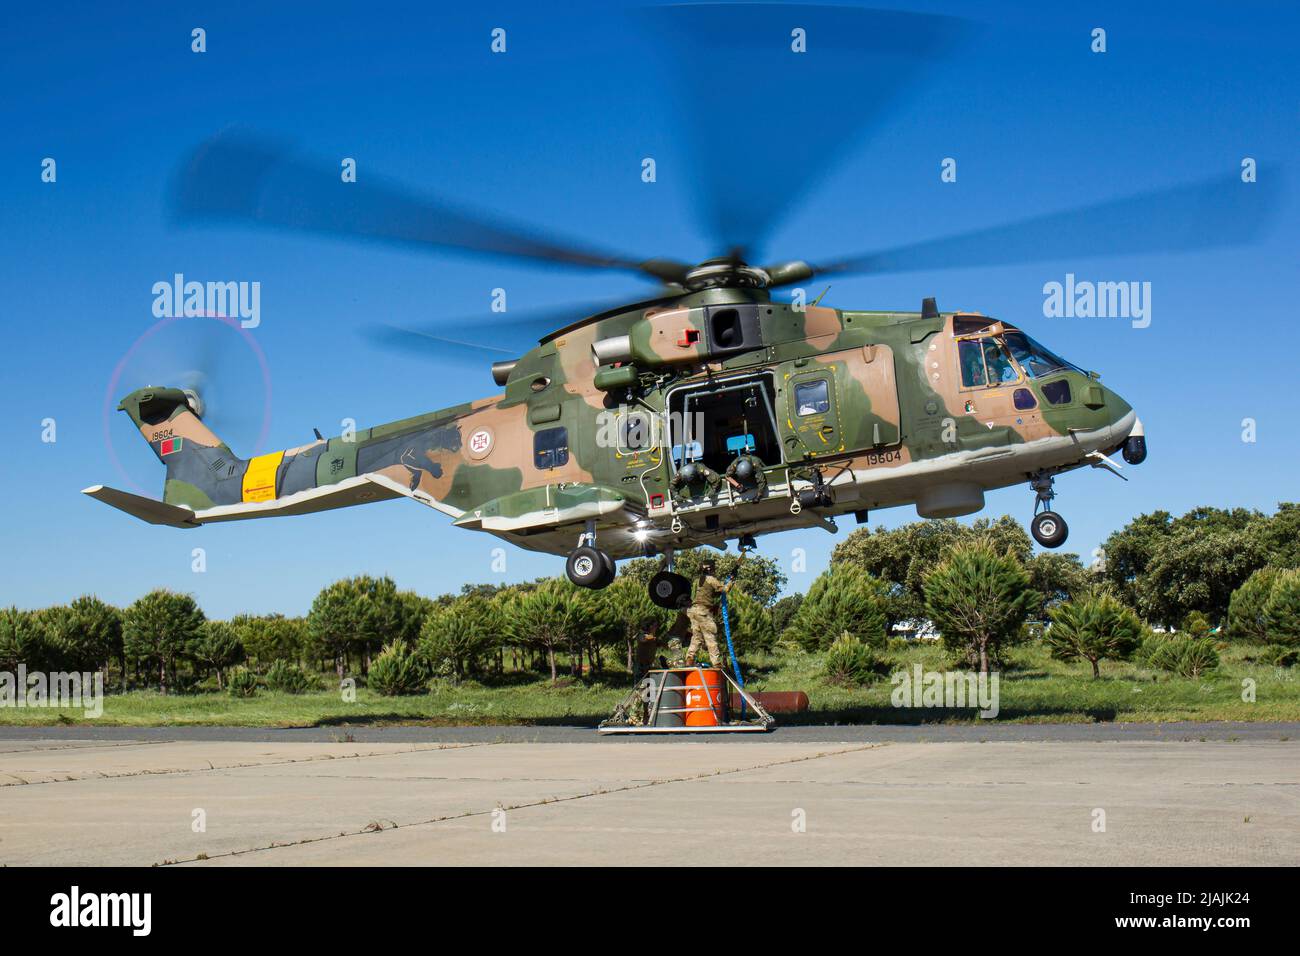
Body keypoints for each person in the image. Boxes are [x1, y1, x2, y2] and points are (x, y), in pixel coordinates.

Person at [684, 560, 729, 670]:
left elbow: (709, 593)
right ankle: (716, 663)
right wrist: (731, 582)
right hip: (703, 612)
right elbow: (725, 589)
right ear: (711, 569)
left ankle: (689, 659)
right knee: (710, 637)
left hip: (693, 611)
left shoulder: (698, 580)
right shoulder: (711, 579)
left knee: (696, 637)